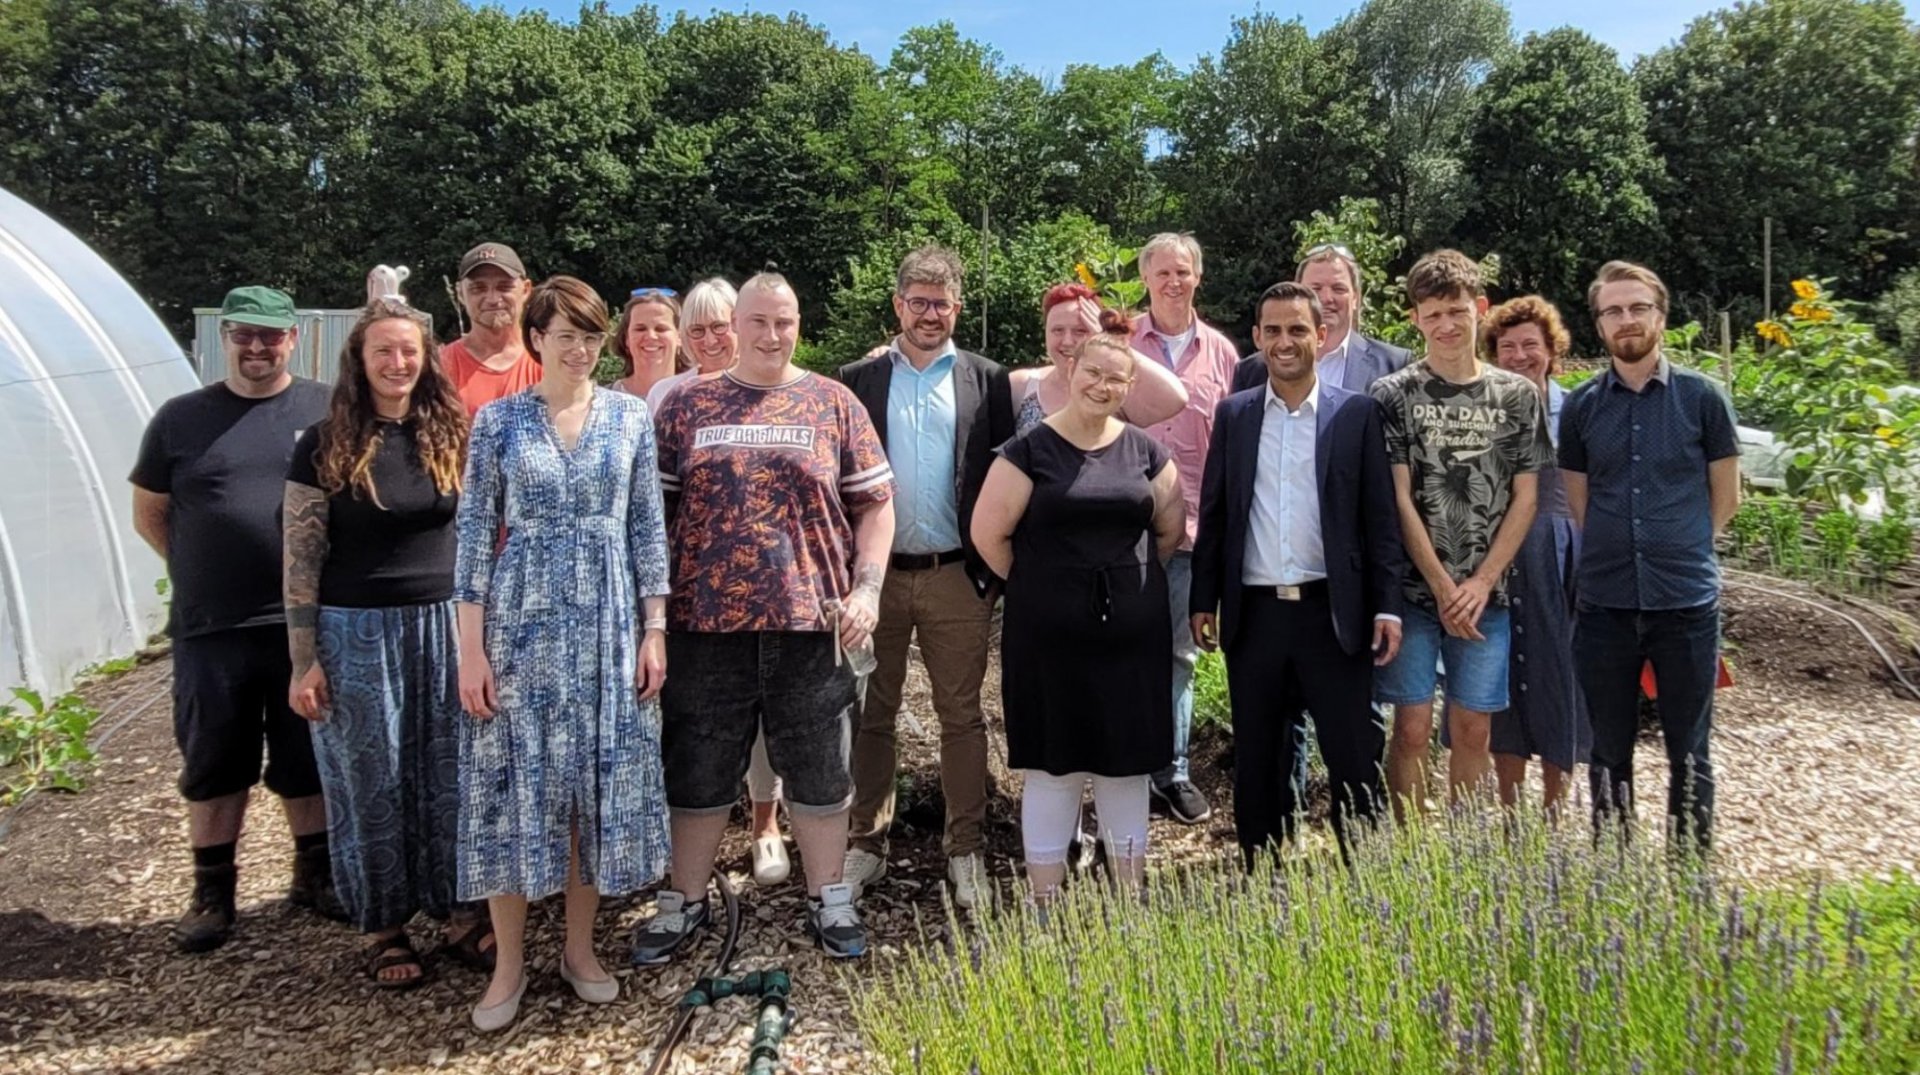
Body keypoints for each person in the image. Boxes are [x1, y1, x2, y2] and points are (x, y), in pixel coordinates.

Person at [634, 272, 895, 963]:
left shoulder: (833, 402)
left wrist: (867, 588)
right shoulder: (686, 406)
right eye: (758, 322)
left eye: (784, 322)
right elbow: (649, 518)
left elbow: (875, 504)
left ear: (798, 323)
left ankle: (828, 894)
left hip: (812, 625)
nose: (771, 335)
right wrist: (651, 616)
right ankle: (683, 898)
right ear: (734, 323)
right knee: (695, 767)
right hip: (703, 626)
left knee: (820, 767)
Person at [453, 276, 672, 1030]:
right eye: (565, 334)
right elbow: (475, 539)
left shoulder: (630, 417)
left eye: (590, 335)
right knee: (512, 788)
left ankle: (579, 948)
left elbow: (648, 527)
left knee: (589, 787)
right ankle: (509, 962)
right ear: (536, 337)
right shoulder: (498, 423)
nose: (579, 348)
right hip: (522, 627)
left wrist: (655, 627)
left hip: (611, 625)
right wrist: (471, 650)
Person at [283, 299, 491, 987]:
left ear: (427, 357)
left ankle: (460, 911)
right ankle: (384, 924)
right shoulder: (321, 442)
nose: (398, 363)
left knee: (452, 775)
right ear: (361, 360)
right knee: (370, 783)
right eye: (384, 351)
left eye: (410, 350)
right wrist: (303, 658)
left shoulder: (456, 431)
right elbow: (301, 557)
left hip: (443, 624)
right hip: (356, 629)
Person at [129, 285, 342, 952]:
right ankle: (212, 890)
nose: (258, 346)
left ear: (293, 339)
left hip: (299, 624)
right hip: (212, 625)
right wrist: (202, 568)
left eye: (270, 335)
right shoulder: (181, 418)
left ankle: (313, 872)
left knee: (304, 753)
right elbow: (151, 512)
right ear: (226, 337)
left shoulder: (321, 407)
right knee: (216, 756)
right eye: (245, 334)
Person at [1190, 283, 1405, 864]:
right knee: (1260, 753)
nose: (1286, 342)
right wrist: (1202, 598)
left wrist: (1387, 605)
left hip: (1332, 613)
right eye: (1274, 331)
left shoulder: (1356, 415)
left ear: (1322, 336)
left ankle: (1367, 872)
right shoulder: (1234, 415)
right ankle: (1264, 869)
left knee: (1353, 751)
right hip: (1255, 614)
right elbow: (1217, 511)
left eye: (1298, 331)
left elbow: (1379, 520)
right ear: (1257, 339)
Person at [971, 318, 1185, 900]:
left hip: (1131, 642)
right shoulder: (1026, 452)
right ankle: (1045, 903)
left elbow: (1168, 530)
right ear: (1070, 370)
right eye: (1092, 371)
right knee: (1053, 767)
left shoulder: (1146, 451)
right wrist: (1046, 585)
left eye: (1116, 379)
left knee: (1126, 765)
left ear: (1128, 387)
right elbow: (989, 535)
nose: (1101, 384)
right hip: (1049, 639)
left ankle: (1129, 901)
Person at [838, 246, 1012, 910]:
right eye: (918, 300)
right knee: (871, 712)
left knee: (962, 716)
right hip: (875, 578)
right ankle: (866, 843)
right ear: (898, 304)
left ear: (957, 307)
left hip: (953, 574)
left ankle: (965, 849)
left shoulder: (984, 379)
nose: (929, 313)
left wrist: (989, 573)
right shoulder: (857, 379)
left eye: (941, 302)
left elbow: (1000, 479)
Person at [1561, 261, 1740, 850]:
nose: (1626, 320)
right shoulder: (1583, 407)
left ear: (1659, 315)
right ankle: (1615, 877)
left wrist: (1678, 544)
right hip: (1606, 603)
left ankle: (1688, 873)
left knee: (1690, 749)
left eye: (1637, 308)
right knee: (1609, 750)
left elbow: (1726, 496)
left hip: (1684, 601)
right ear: (1600, 323)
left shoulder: (1702, 399)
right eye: (1613, 311)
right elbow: (1580, 502)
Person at [1369, 250, 1550, 815]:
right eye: (1432, 314)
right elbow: (1398, 498)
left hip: (1486, 596)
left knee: (1474, 727)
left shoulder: (1517, 396)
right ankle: (1411, 852)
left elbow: (1527, 495)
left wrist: (1479, 583)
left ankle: (1464, 851)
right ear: (1416, 319)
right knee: (1413, 727)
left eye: (1456, 311)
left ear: (1479, 308)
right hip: (1417, 593)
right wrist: (1445, 587)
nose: (1446, 325)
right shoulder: (1393, 395)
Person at [637, 277, 791, 886]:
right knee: (691, 715)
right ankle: (685, 851)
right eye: (694, 329)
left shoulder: (775, 389)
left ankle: (763, 824)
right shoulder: (670, 398)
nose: (708, 340)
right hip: (688, 591)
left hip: (765, 591)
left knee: (762, 716)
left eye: (719, 327)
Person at [1130, 232, 1241, 825]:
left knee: (1178, 655)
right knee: (1120, 651)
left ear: (1198, 277)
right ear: (1145, 278)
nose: (1173, 282)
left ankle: (1169, 773)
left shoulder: (1223, 354)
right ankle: (1120, 766)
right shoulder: (1122, 342)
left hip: (1195, 530)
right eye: (1162, 272)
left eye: (1184, 272)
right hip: (1126, 530)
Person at [1479, 296, 1590, 813]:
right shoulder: (1482, 410)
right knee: (1502, 679)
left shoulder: (1577, 410)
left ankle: (1553, 809)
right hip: (1497, 550)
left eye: (1531, 345)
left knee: (1559, 676)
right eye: (1508, 347)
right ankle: (1507, 811)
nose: (1520, 356)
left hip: (1558, 553)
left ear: (1551, 350)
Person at [1232, 244, 1412, 394]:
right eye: (1315, 288)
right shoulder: (1251, 372)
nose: (1326, 298)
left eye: (1338, 289)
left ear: (1356, 298)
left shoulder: (1393, 365)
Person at [1012, 282, 1188, 434]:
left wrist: (1110, 343)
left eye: (1080, 331)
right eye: (1057, 330)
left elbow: (1175, 399)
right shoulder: (1022, 385)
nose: (1067, 341)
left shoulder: (1113, 392)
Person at [442, 243, 541, 415]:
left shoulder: (548, 361)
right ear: (460, 294)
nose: (493, 299)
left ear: (525, 290)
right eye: (478, 288)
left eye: (504, 287)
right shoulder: (441, 368)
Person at [645, 278, 738, 415]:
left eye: (719, 326)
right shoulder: (664, 394)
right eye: (697, 330)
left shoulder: (767, 390)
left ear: (739, 324)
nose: (710, 340)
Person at [610, 288, 685, 402]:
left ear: (680, 337)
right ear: (627, 338)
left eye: (661, 329)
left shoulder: (697, 398)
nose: (651, 336)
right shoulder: (603, 400)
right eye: (640, 329)